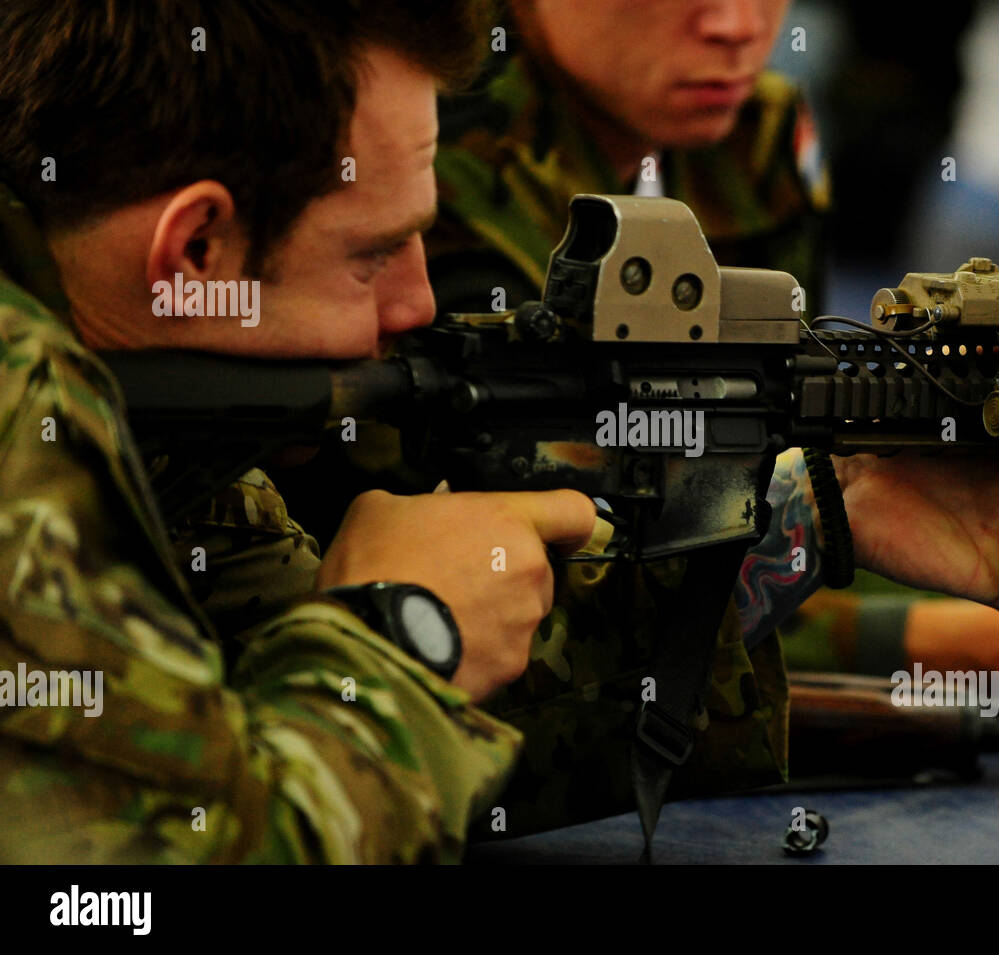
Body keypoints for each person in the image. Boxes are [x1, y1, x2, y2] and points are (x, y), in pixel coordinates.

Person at [423, 0, 999, 738]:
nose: (738, 25)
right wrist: (972, 651)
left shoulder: (755, 134)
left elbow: (735, 510)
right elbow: (507, 644)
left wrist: (976, 573)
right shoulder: (417, 153)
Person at [0, 0, 602, 862]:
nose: (418, 305)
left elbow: (258, 722)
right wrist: (401, 637)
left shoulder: (143, 414)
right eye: (371, 256)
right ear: (196, 253)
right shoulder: (20, 401)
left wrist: (759, 538)